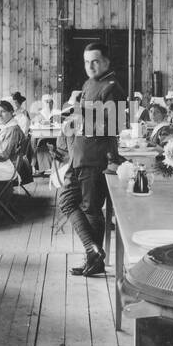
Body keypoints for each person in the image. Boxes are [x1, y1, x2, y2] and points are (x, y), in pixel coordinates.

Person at [62, 40, 125, 276]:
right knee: (66, 201)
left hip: (96, 157)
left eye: (95, 61)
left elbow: (115, 123)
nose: (90, 66)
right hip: (79, 155)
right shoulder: (89, 83)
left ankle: (94, 258)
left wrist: (81, 118)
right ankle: (93, 252)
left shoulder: (112, 88)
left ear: (106, 61)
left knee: (91, 209)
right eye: (87, 62)